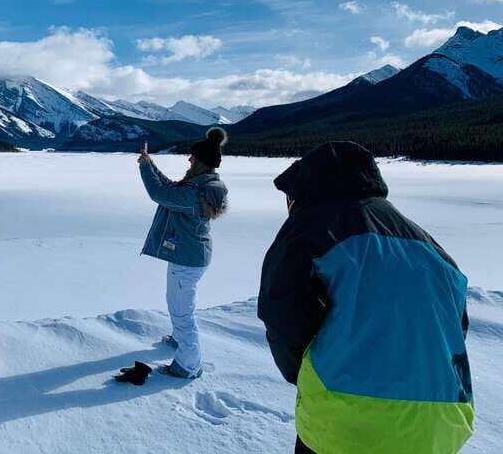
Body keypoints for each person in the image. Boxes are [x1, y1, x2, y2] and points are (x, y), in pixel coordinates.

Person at [258, 142, 474, 454]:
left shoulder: (310, 228)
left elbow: (281, 312)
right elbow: (456, 328)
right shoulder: (430, 246)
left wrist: (301, 373)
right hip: (442, 424)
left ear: (305, 190)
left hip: (350, 419)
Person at [138, 128, 229, 379]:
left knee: (181, 311)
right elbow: (169, 187)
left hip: (187, 260)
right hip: (191, 256)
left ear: (201, 162)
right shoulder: (203, 186)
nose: (188, 160)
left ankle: (188, 364)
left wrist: (145, 168)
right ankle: (179, 339)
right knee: (179, 304)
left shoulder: (194, 194)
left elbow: (161, 194)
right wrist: (150, 164)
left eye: (192, 157)